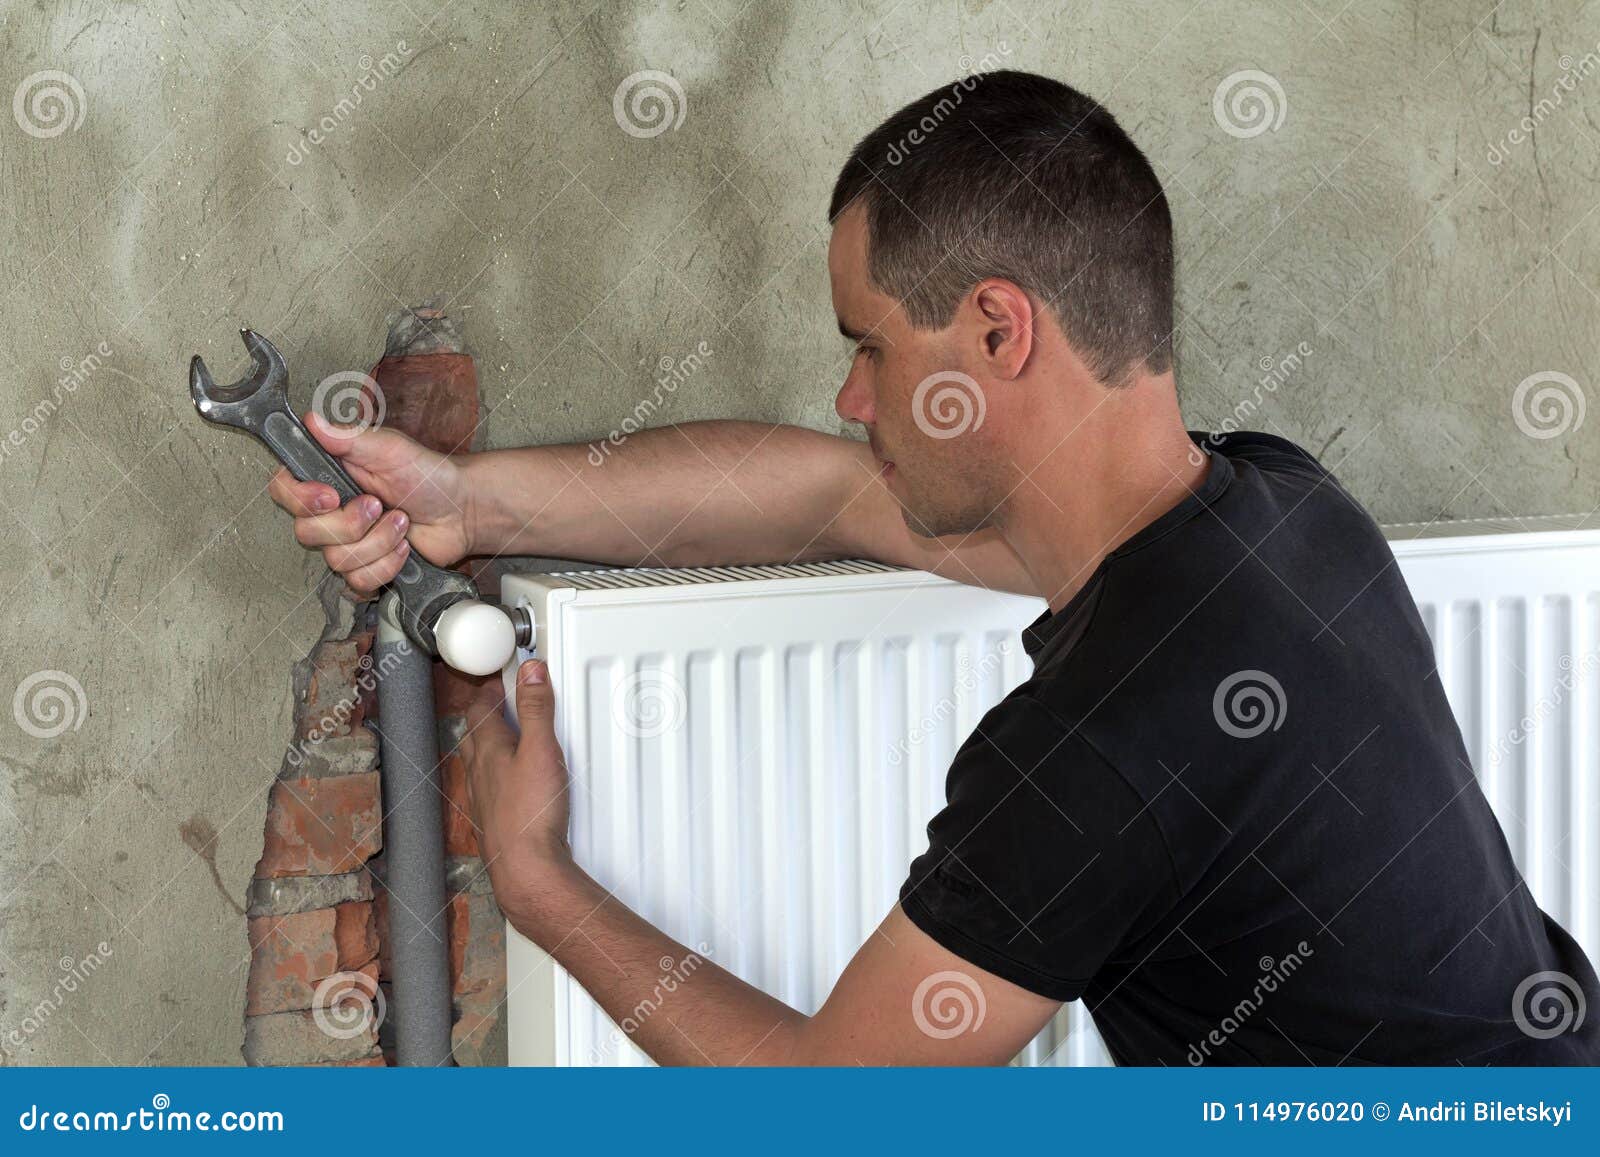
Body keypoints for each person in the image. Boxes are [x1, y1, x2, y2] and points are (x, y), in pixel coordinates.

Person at [269, 71, 1599, 1065]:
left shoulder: (1099, 745)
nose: (851, 395)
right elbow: (832, 500)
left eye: (871, 345)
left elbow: (828, 1110)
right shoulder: (1278, 503)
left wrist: (538, 881)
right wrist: (469, 501)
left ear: (998, 329)